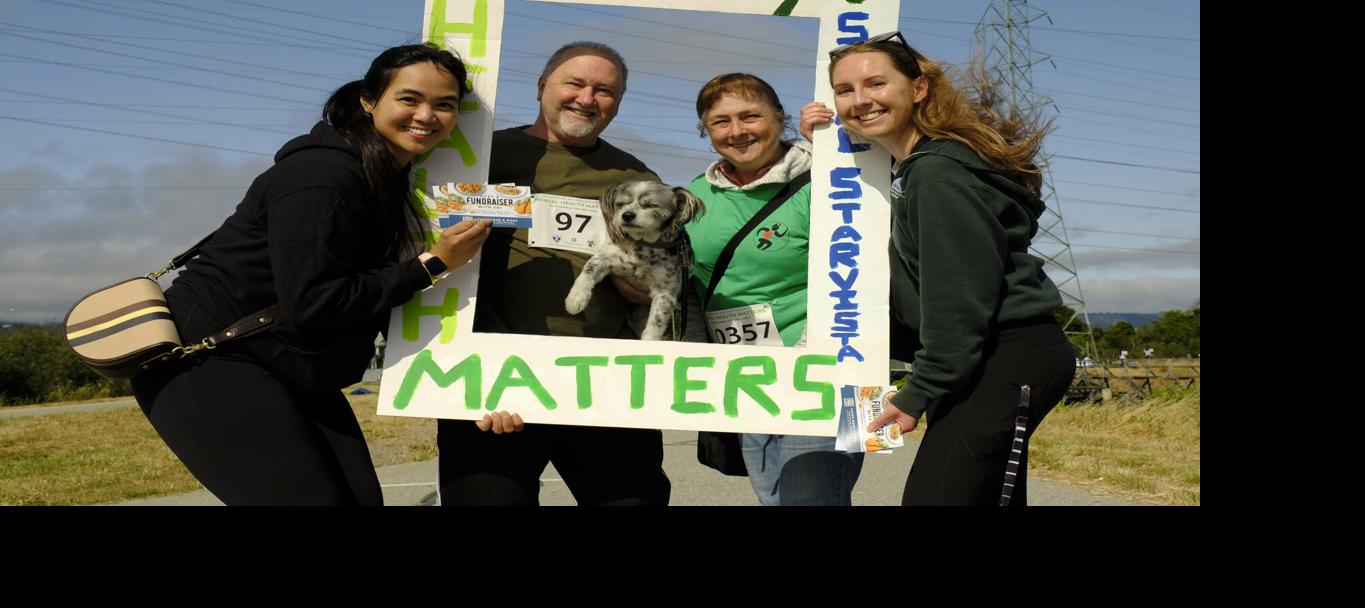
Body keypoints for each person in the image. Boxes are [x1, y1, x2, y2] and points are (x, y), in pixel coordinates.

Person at [132, 43, 491, 505]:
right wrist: (434, 264)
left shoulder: (386, 176)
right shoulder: (324, 174)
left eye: (444, 104)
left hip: (289, 359)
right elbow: (314, 301)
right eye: (409, 98)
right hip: (209, 357)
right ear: (369, 99)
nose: (427, 115)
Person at [803, 31, 1075, 506]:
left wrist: (918, 393)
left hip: (1006, 353)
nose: (860, 100)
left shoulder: (936, 175)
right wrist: (827, 144)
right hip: (982, 358)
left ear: (919, 88)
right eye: (844, 91)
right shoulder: (916, 168)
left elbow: (957, 300)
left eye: (875, 84)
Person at [435, 41, 673, 506]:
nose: (587, 98)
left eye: (604, 90)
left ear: (619, 102)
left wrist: (644, 288)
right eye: (575, 83)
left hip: (602, 380)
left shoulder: (637, 176)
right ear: (543, 86)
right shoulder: (479, 158)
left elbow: (663, 264)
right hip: (493, 379)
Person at [684, 73, 863, 506]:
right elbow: (683, 283)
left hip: (826, 372)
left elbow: (883, 207)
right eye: (720, 121)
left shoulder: (830, 176)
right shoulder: (693, 195)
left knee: (810, 500)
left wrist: (832, 146)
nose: (737, 131)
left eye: (751, 116)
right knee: (774, 498)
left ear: (780, 118)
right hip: (746, 376)